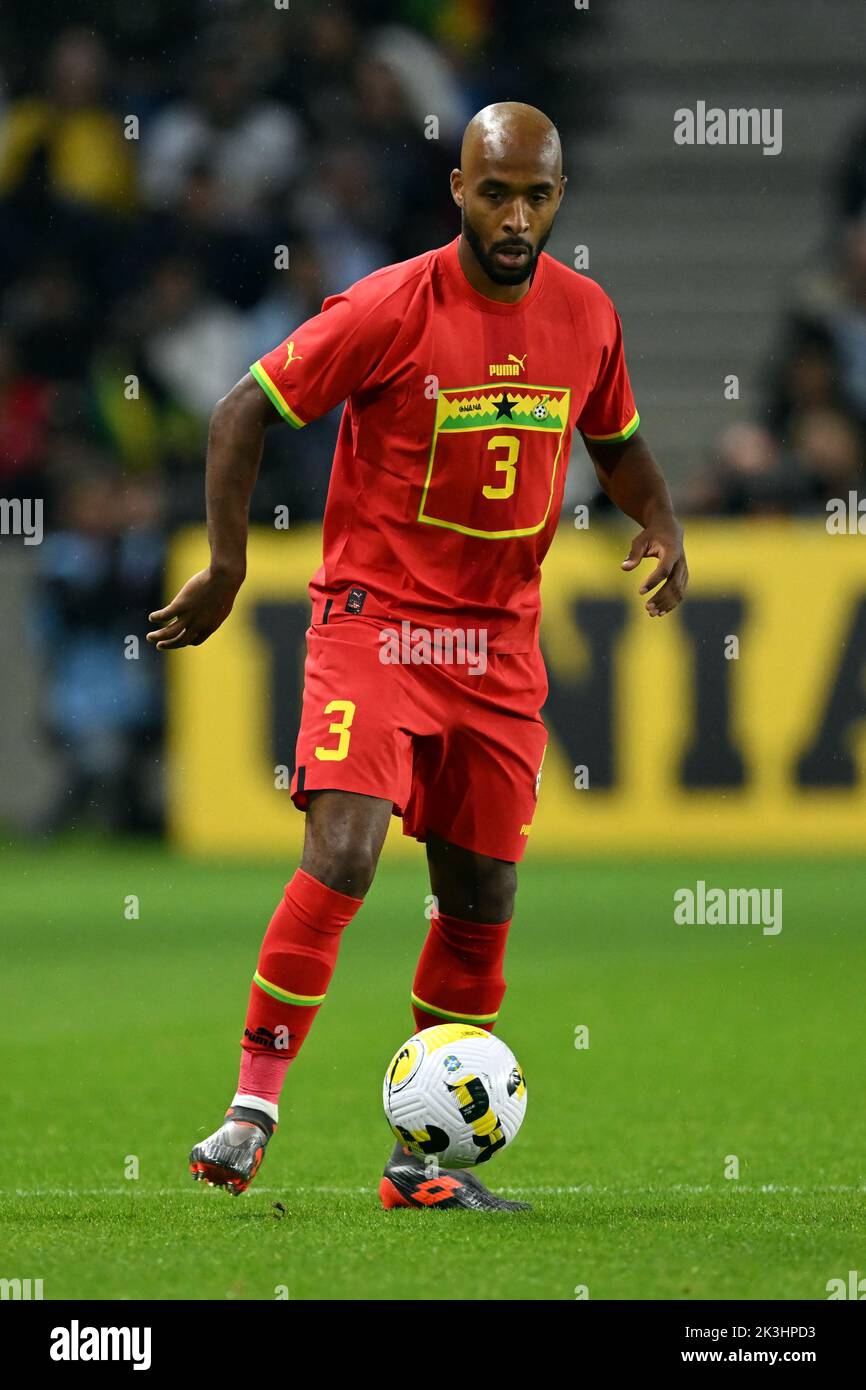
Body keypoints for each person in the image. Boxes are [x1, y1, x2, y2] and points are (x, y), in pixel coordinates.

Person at [147, 102, 688, 1211]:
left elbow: (617, 441)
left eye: (536, 195)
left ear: (558, 198)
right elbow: (240, 410)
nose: (515, 215)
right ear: (457, 189)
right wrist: (228, 565)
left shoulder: (584, 314)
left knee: (480, 894)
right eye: (495, 192)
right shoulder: (390, 304)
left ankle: (419, 1165)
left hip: (497, 646)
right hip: (377, 625)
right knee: (342, 851)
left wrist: (660, 520)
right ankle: (252, 1107)